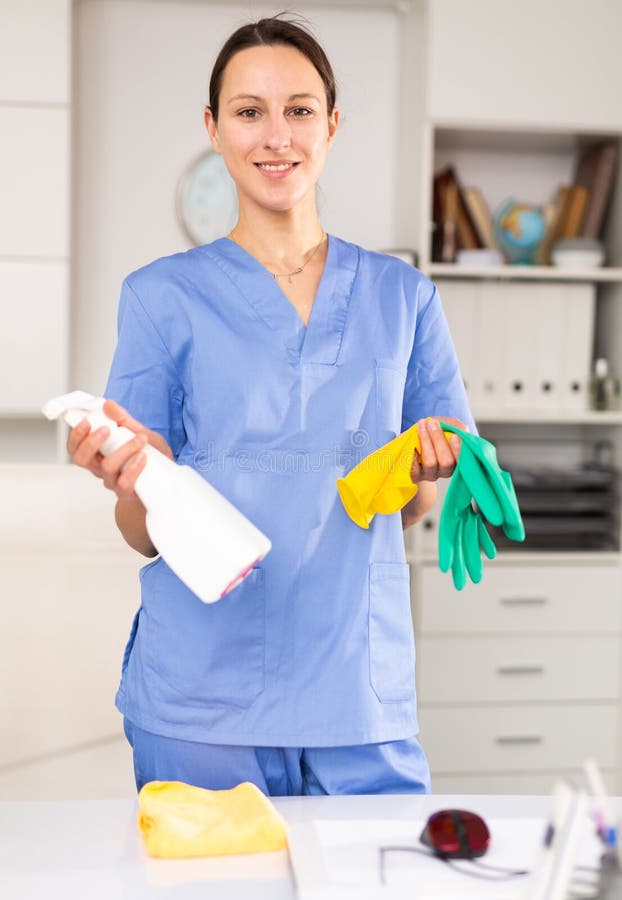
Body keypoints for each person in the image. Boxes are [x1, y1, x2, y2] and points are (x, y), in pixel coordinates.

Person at [68, 14, 474, 797]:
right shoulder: (160, 298)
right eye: (249, 111)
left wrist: (426, 470)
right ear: (214, 129)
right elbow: (139, 536)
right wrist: (138, 481)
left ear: (332, 125)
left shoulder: (404, 296)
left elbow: (416, 506)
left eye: (299, 109)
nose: (275, 134)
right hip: (202, 702)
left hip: (356, 691)